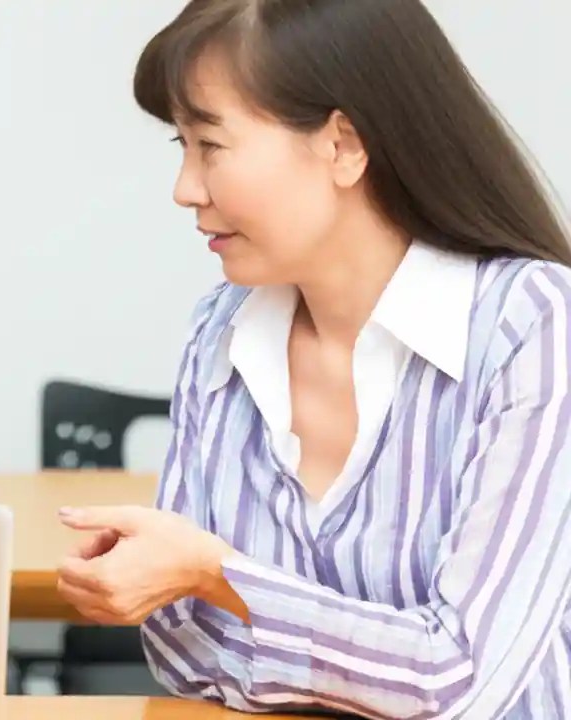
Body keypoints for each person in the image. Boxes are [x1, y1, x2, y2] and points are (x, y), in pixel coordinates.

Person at [55, 1, 571, 718]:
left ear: (343, 146)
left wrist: (218, 575)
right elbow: (180, 650)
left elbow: (459, 682)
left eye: (211, 144)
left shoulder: (533, 324)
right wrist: (373, 665)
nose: (185, 188)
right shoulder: (221, 330)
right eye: (182, 145)